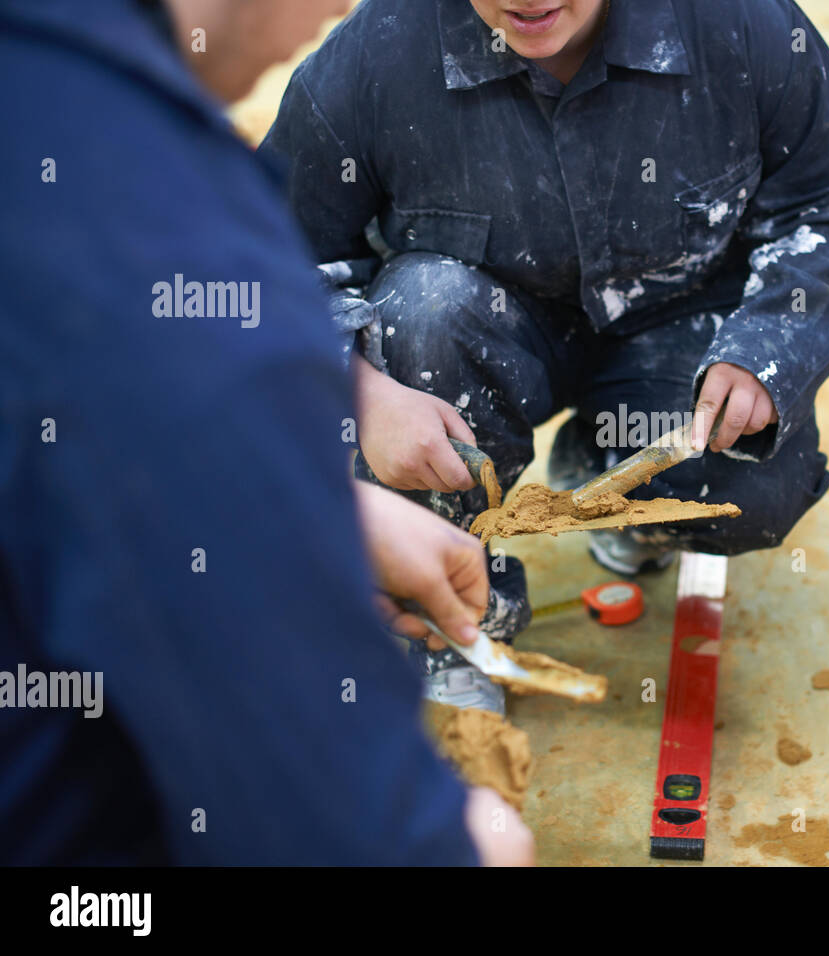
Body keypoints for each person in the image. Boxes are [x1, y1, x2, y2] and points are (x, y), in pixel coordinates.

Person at [0, 0, 531, 865]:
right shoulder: (175, 250)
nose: (338, 8)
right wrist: (461, 843)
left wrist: (317, 513)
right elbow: (334, 826)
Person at [261, 0, 829, 715]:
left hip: (673, 324)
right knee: (423, 312)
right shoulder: (374, 54)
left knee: (751, 483)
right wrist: (362, 393)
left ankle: (606, 473)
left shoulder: (742, 26)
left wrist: (763, 354)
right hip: (469, 334)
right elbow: (266, 259)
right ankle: (458, 623)